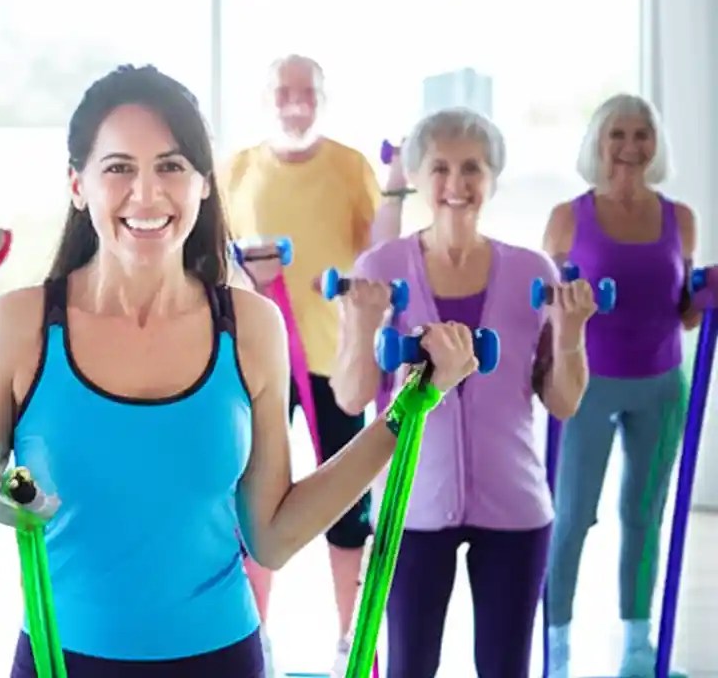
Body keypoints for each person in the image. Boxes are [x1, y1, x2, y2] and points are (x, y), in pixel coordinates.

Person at [0, 64, 481, 678]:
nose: (147, 193)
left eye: (172, 165)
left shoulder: (249, 328)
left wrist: (403, 418)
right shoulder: (20, 328)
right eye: (119, 167)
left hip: (222, 660)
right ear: (77, 184)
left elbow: (271, 535)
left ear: (204, 184)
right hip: (63, 662)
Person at [332, 108, 596, 678]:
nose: (457, 185)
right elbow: (353, 398)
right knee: (410, 667)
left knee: (505, 668)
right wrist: (360, 325)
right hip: (412, 505)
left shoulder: (533, 269)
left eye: (472, 168)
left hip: (517, 506)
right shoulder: (381, 266)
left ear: (493, 178)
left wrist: (571, 335)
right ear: (419, 177)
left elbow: (565, 403)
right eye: (441, 168)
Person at [217, 53, 407, 673]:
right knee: (250, 505)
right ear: (266, 96)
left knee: (344, 507)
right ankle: (255, 635)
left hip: (331, 359)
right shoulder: (239, 169)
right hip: (254, 363)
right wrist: (244, 264)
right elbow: (212, 260)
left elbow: (379, 251)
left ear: (322, 97)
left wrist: (399, 182)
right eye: (283, 91)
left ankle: (351, 637)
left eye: (307, 91)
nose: (295, 102)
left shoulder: (350, 165)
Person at [542, 94, 701, 677]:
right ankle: (555, 650)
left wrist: (703, 302)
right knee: (572, 516)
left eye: (642, 134)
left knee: (644, 514)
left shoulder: (679, 218)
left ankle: (638, 648)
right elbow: (550, 309)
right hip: (586, 384)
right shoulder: (568, 216)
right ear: (597, 142)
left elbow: (680, 311)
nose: (630, 147)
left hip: (660, 384)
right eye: (618, 134)